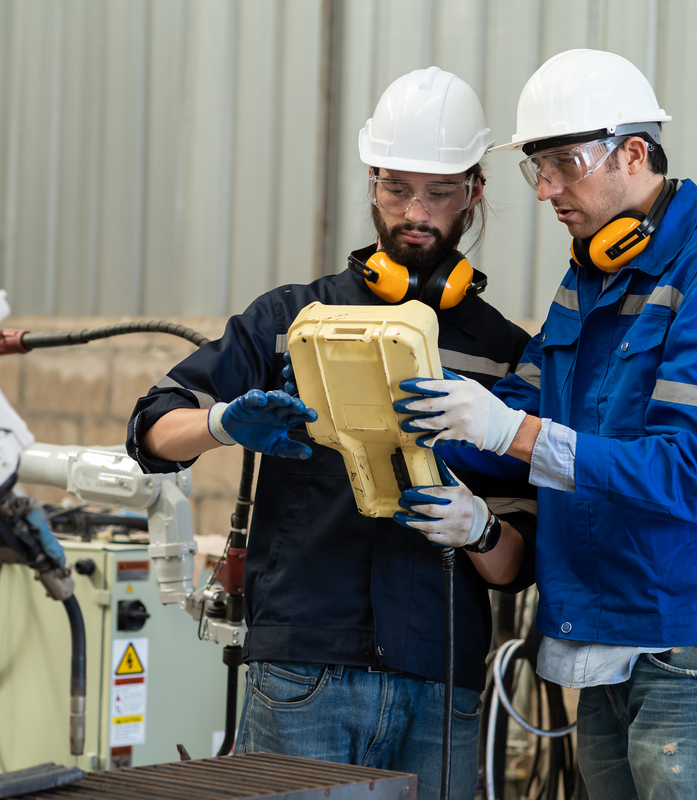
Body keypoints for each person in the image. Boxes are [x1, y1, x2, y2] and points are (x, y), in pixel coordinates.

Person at [395, 49, 697, 799]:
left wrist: (506, 432)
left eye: (563, 165)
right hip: (600, 627)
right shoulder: (589, 278)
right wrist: (396, 428)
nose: (546, 190)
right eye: (536, 169)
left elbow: (690, 473)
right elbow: (511, 423)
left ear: (634, 152)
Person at [127, 67, 537, 797]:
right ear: (371, 182)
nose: (415, 211)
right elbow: (153, 428)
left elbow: (517, 563)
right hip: (300, 674)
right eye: (395, 188)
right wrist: (223, 423)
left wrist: (478, 530)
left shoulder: (507, 355)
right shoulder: (290, 321)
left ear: (474, 192)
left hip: (438, 686)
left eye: (439, 192)